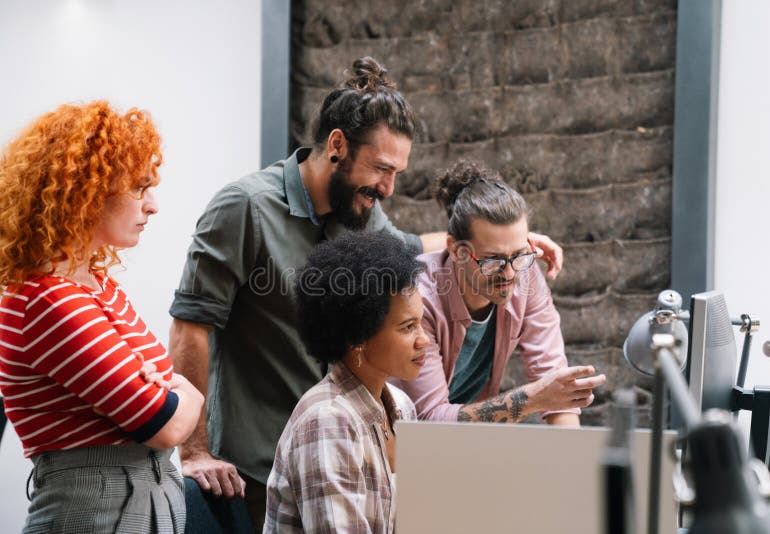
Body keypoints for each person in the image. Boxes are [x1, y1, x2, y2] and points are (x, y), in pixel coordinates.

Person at [168, 56, 563, 531]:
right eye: (381, 168)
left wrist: (508, 247)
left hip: (344, 448)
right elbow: (191, 326)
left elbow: (410, 246)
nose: (389, 187)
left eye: (397, 172)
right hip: (253, 469)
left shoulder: (360, 211)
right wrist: (193, 451)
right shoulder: (244, 208)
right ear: (337, 145)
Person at [0, 101, 204, 533]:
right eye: (139, 187)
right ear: (86, 191)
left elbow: (161, 400)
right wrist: (192, 395)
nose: (153, 205)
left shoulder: (97, 287)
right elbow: (163, 423)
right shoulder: (47, 300)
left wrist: (173, 394)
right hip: (96, 514)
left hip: (138, 507)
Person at [391, 160, 606, 425]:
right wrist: (533, 399)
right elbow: (430, 419)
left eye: (518, 255)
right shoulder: (419, 297)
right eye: (492, 260)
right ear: (457, 251)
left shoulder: (524, 273)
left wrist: (572, 462)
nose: (508, 274)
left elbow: (556, 387)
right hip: (398, 445)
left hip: (476, 437)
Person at [265, 232, 427, 533]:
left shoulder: (401, 406)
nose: (424, 340)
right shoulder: (327, 421)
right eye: (408, 327)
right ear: (358, 337)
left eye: (421, 322)